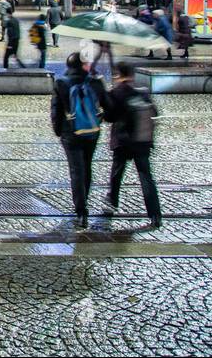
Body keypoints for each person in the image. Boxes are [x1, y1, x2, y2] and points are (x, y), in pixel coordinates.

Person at [102, 60, 162, 229]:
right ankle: (155, 214)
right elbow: (154, 113)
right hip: (142, 142)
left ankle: (111, 205)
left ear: (118, 75)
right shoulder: (142, 92)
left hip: (122, 142)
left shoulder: (117, 92)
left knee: (116, 176)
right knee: (146, 178)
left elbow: (109, 117)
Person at [51, 52, 107, 228]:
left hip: (71, 132)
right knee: (87, 166)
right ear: (83, 65)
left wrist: (59, 131)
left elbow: (56, 110)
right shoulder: (95, 81)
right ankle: (85, 200)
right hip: (92, 131)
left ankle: (81, 211)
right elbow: (106, 105)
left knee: (76, 170)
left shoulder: (61, 83)